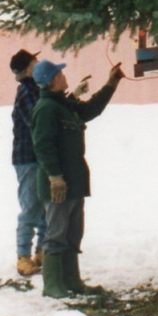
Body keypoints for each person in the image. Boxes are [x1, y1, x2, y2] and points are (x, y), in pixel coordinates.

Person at [30, 57, 124, 299]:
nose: (63, 76)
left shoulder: (63, 104)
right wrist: (55, 177)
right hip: (59, 185)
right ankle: (52, 286)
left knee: (73, 234)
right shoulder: (47, 109)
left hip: (74, 182)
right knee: (56, 234)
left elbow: (91, 110)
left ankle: (72, 281)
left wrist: (110, 84)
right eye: (59, 74)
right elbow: (43, 146)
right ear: (51, 81)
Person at [9, 48, 45, 277]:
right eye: (35, 61)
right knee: (31, 205)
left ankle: (42, 251)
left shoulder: (36, 89)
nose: (39, 63)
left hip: (38, 157)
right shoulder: (27, 92)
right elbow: (39, 120)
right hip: (28, 158)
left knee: (45, 205)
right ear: (29, 68)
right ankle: (23, 256)